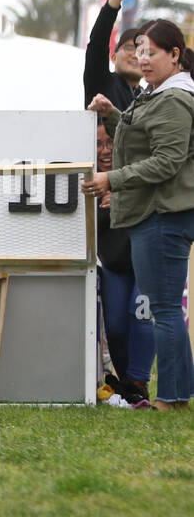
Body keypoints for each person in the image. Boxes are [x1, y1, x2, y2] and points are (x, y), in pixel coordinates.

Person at [86, 19, 194, 410]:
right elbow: (141, 137)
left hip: (163, 215)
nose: (143, 59)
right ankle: (180, 393)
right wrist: (113, 114)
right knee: (166, 311)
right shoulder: (157, 94)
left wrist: (111, 179)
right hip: (155, 214)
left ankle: (170, 398)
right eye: (139, 51)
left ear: (175, 55)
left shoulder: (175, 99)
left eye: (151, 52)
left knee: (164, 311)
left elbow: (166, 162)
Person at [91, 116, 152, 404]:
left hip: (147, 262)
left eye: (109, 143)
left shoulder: (138, 171)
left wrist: (121, 197)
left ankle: (139, 381)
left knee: (140, 318)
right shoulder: (89, 182)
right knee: (114, 326)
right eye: (98, 144)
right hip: (114, 266)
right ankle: (128, 386)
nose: (104, 150)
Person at [84, 0, 145, 111]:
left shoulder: (150, 99)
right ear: (113, 57)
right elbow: (97, 43)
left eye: (143, 51)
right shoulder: (101, 82)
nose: (136, 55)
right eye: (130, 47)